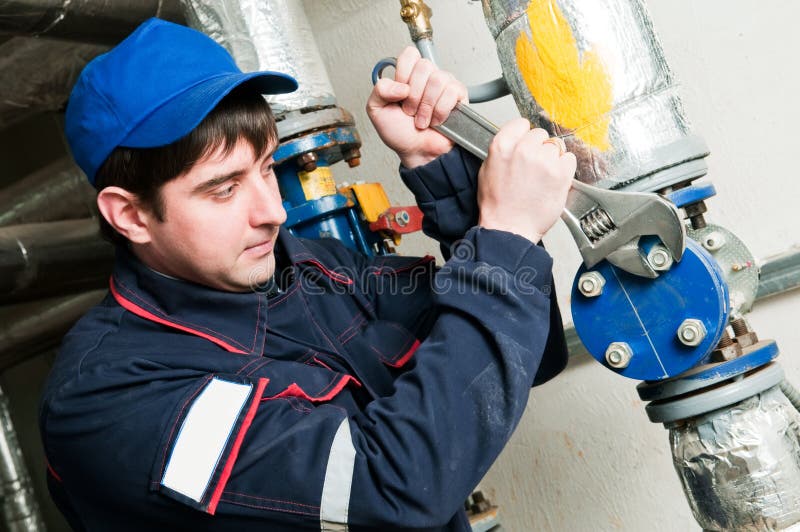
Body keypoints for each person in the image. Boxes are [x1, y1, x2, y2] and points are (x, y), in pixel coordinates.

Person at [39, 18, 576, 532]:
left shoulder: (318, 271)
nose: (271, 211)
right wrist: (504, 237)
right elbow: (391, 489)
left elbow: (528, 356)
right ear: (130, 215)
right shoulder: (109, 397)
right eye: (224, 189)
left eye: (267, 168)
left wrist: (443, 175)